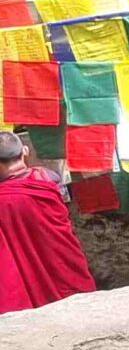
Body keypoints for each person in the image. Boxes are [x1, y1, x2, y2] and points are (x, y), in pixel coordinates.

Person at [0, 131, 93, 313]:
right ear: (25, 151)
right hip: (63, 272)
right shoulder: (46, 181)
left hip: (23, 288)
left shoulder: (5, 198)